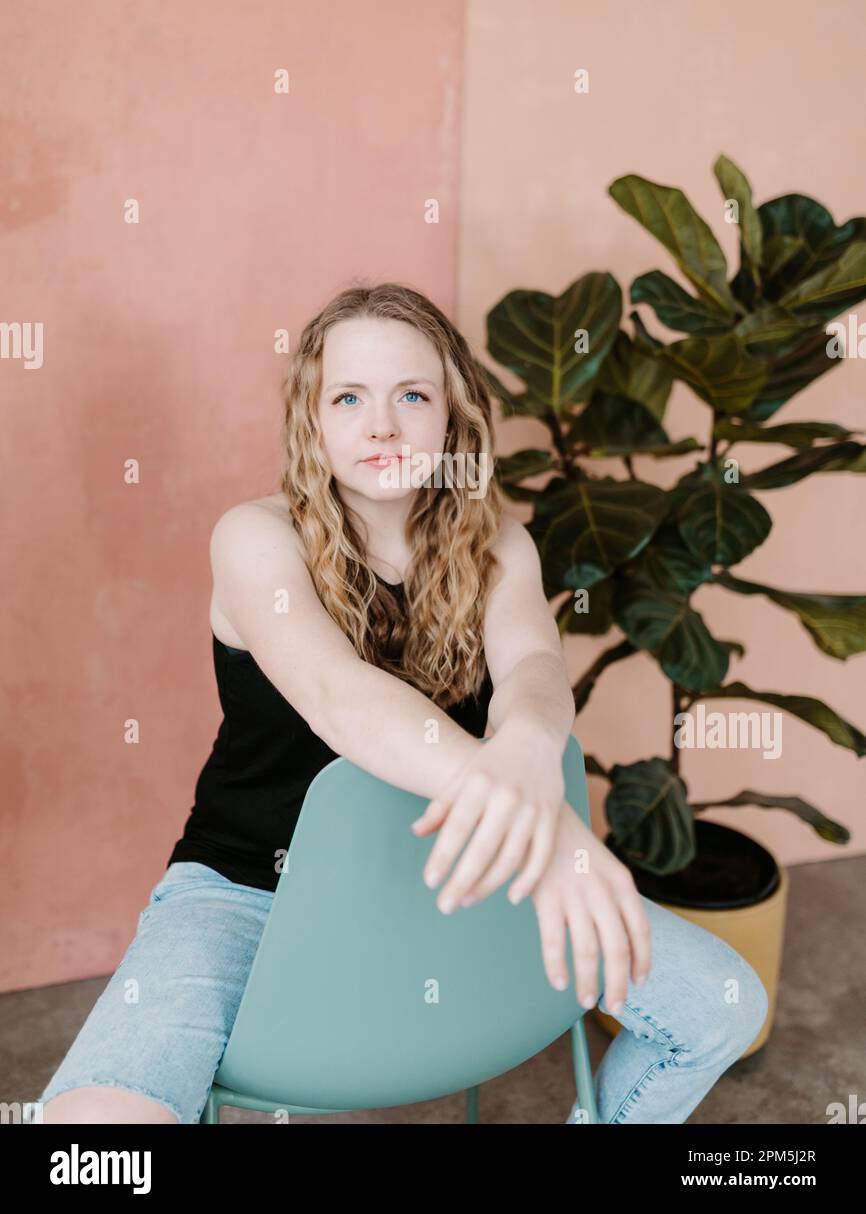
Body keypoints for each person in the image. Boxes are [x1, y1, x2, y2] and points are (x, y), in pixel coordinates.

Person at [38, 280, 767, 1125]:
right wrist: (557, 829)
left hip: (465, 876)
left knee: (720, 1004)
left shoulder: (498, 543)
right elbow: (344, 704)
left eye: (411, 395)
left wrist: (530, 753)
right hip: (245, 892)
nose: (381, 425)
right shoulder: (254, 538)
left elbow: (533, 666)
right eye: (349, 397)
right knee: (95, 1139)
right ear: (314, 422)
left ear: (454, 416)